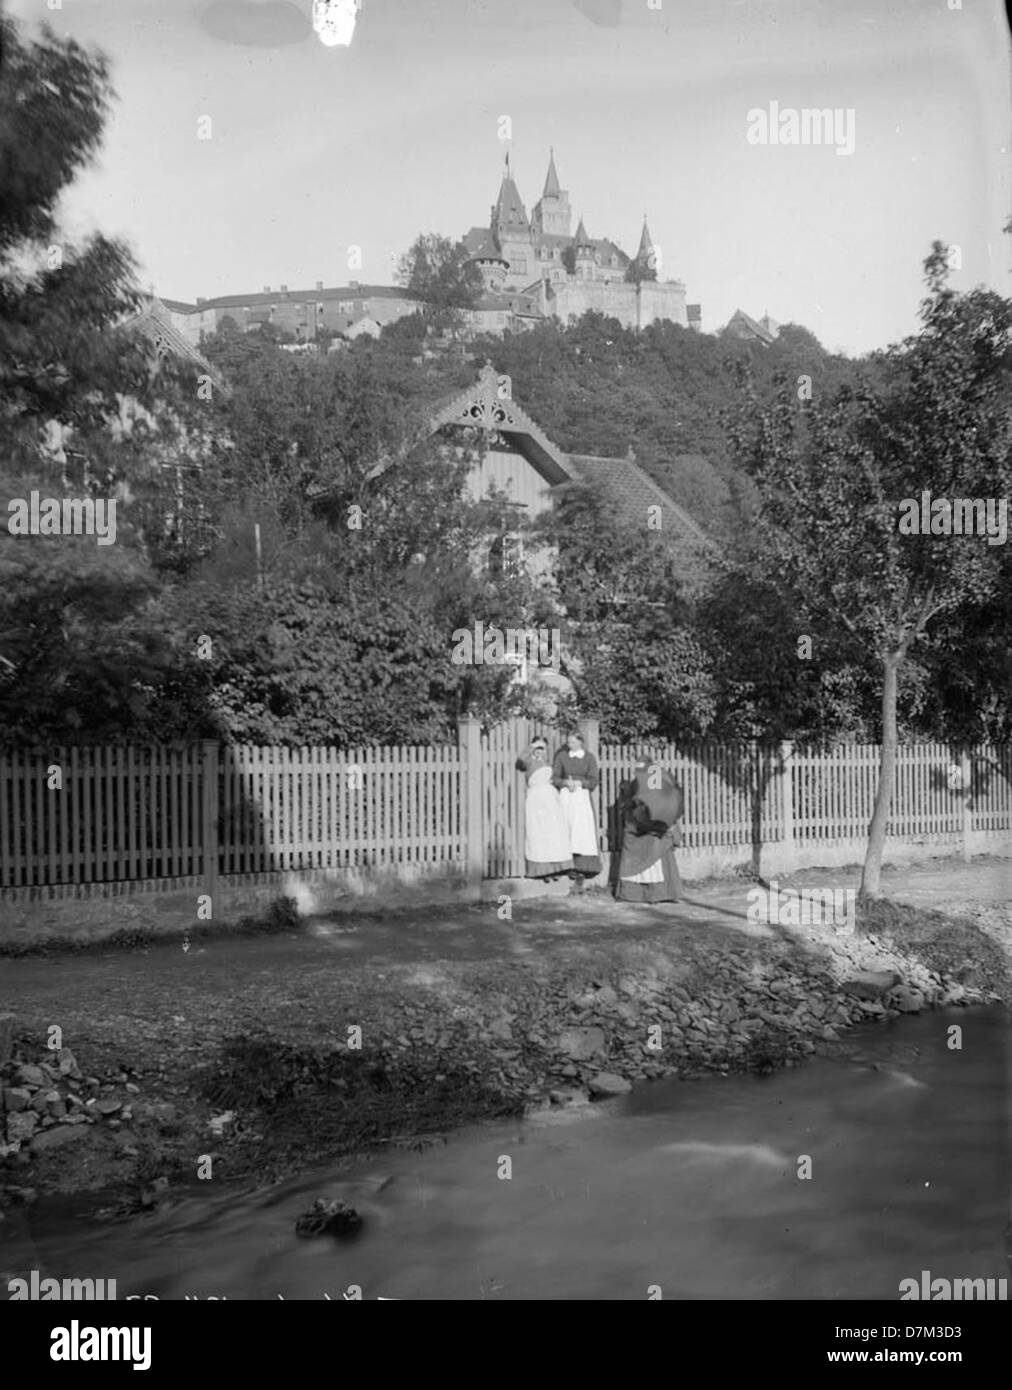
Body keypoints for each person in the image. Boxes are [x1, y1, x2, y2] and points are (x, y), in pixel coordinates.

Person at [614, 758, 684, 903]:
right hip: (638, 825)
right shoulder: (635, 785)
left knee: (659, 839)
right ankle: (632, 893)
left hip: (655, 824)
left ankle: (659, 893)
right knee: (639, 839)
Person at [515, 738, 573, 879]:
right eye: (538, 748)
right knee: (538, 833)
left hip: (551, 799)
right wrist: (532, 746)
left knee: (554, 833)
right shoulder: (528, 761)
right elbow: (519, 762)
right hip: (536, 799)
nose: (541, 751)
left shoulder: (547, 763)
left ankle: (556, 868)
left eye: (543, 748)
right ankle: (541, 870)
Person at [551, 731, 602, 890]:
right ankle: (567, 865)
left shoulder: (589, 757)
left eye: (573, 742)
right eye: (568, 742)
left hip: (581, 796)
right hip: (566, 796)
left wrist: (579, 783)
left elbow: (594, 780)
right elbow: (555, 777)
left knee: (581, 830)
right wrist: (566, 783)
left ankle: (583, 867)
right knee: (566, 828)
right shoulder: (561, 757)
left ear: (580, 742)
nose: (570, 745)